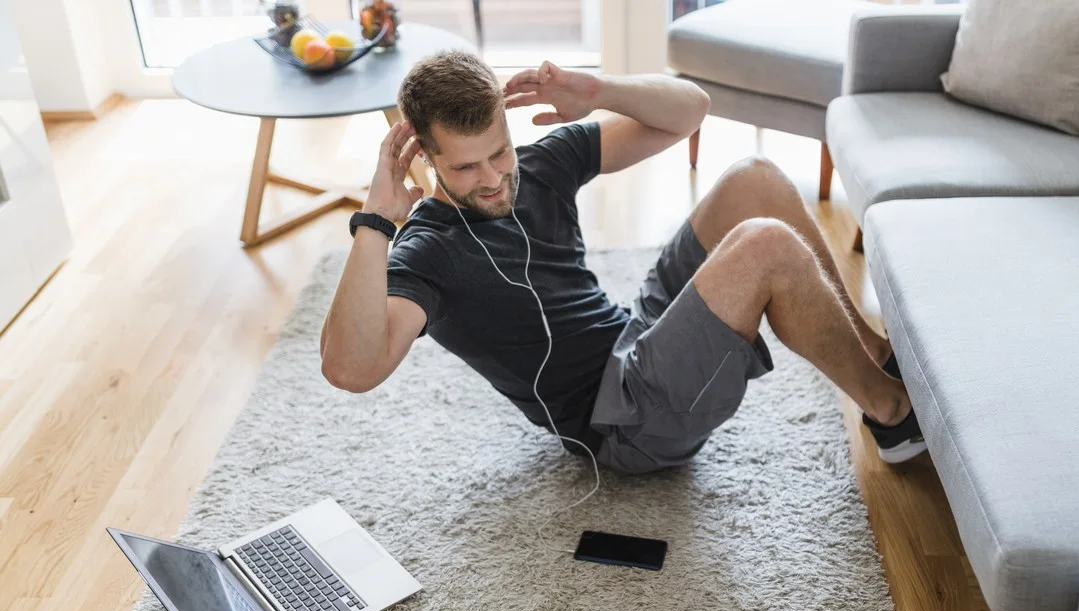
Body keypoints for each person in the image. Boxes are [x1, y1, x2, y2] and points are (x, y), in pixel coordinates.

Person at [319, 51, 925, 474]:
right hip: (623, 427)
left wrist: (599, 92)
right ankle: (894, 414)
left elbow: (691, 109)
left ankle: (874, 359)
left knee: (755, 180)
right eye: (465, 167)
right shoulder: (427, 252)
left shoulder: (539, 164)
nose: (493, 178)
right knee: (765, 245)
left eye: (499, 152)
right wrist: (377, 220)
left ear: (506, 125)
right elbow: (351, 369)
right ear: (423, 156)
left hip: (634, 338)